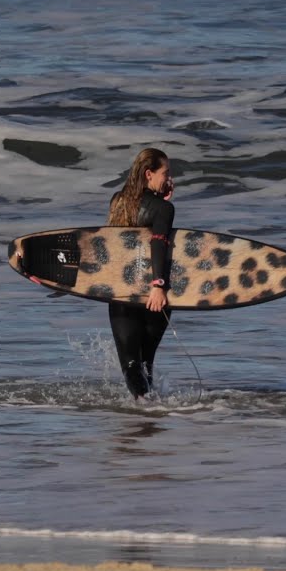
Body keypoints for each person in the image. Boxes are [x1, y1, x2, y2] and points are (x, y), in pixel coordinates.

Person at [107, 147, 175, 399]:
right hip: (153, 295)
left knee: (132, 366)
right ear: (149, 174)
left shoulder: (117, 201)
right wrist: (159, 286)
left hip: (122, 293)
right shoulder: (164, 209)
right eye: (165, 173)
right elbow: (158, 242)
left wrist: (160, 204)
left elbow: (113, 247)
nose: (168, 179)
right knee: (145, 362)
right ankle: (150, 410)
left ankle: (144, 412)